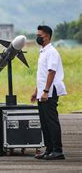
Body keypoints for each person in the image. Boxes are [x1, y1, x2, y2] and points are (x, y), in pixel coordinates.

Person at [31, 25, 67, 160]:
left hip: (50, 92)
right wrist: (37, 91)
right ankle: (49, 149)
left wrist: (45, 91)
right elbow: (42, 75)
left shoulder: (52, 52)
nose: (37, 38)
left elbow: (52, 72)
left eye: (39, 35)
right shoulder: (43, 52)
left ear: (47, 36)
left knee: (51, 121)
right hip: (43, 92)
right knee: (44, 122)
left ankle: (58, 151)